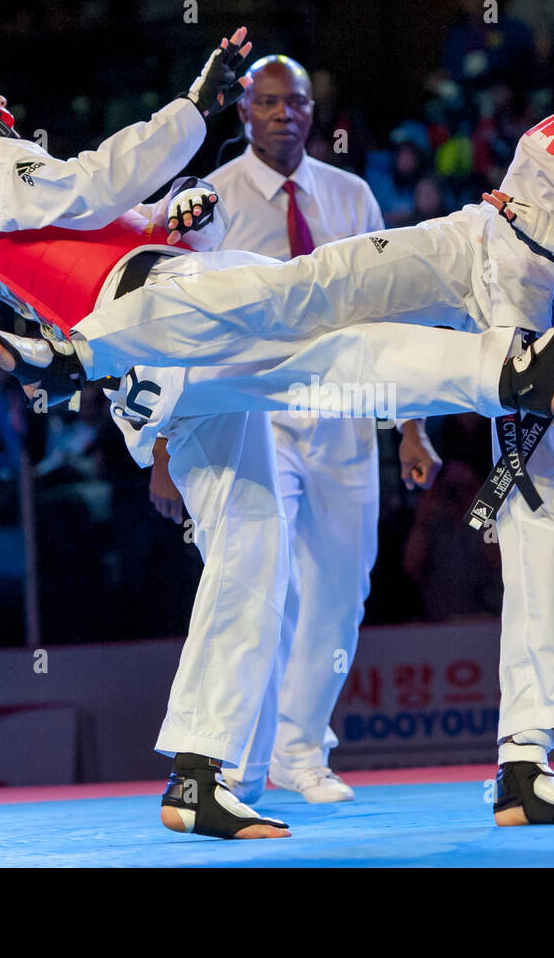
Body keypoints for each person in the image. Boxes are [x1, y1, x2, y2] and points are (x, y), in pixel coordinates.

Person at [11, 0, 554, 827]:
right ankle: (87, 349)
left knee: (553, 524)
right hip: (484, 255)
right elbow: (540, 172)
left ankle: (526, 764)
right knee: (311, 285)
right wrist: (549, 301)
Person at [0, 33, 554, 841]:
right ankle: (504, 352)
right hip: (154, 315)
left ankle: (198, 773)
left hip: (155, 362)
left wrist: (177, 222)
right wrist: (189, 109)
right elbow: (98, 179)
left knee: (253, 539)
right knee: (319, 301)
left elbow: (112, 217)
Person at [150, 54, 437, 804]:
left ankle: (300, 748)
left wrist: (411, 424)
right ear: (243, 112)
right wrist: (160, 450)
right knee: (258, 574)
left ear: (314, 111)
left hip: (346, 406)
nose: (284, 114)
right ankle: (237, 755)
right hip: (252, 414)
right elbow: (169, 322)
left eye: (297, 102)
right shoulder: (208, 197)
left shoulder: (350, 194)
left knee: (342, 587)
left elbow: (390, 308)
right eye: (269, 102)